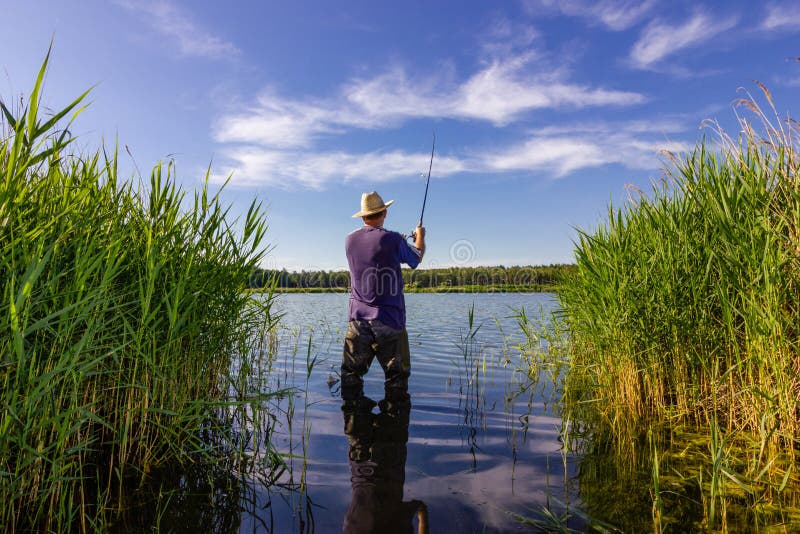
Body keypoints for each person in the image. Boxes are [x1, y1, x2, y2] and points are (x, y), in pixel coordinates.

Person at [342, 191, 425, 404]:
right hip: (389, 319)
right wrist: (420, 237)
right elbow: (416, 259)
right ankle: (392, 430)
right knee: (396, 379)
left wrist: (400, 241)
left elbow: (373, 246)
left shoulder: (349, 240)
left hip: (358, 319)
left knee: (351, 377)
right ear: (384, 212)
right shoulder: (393, 239)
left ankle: (355, 430)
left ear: (362, 216)